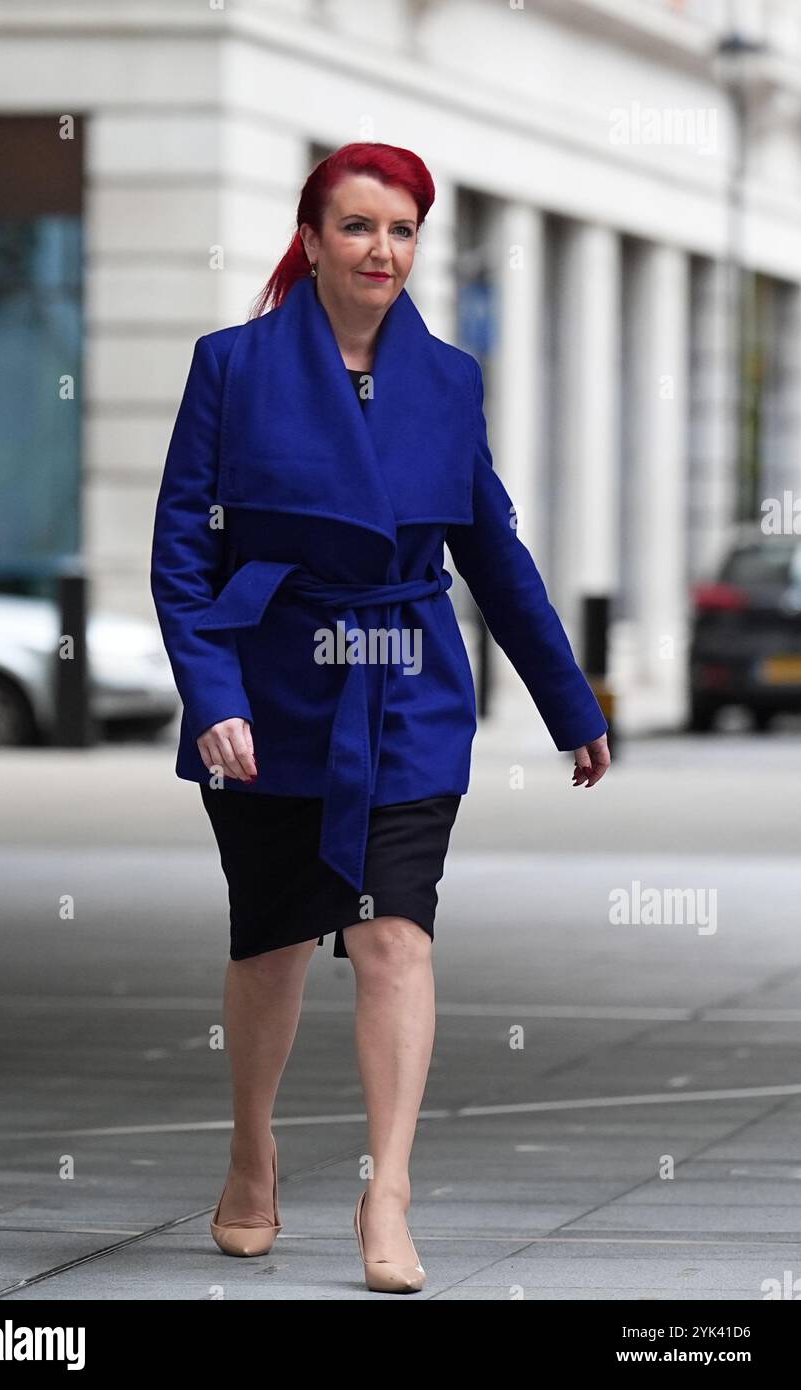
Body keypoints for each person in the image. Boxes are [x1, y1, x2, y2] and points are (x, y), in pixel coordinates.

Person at [150, 141, 610, 1294]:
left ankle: (387, 1186)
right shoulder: (231, 367)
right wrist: (214, 697)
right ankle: (252, 1152)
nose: (382, 251)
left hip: (406, 689)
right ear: (311, 240)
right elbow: (179, 558)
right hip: (269, 693)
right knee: (268, 944)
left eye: (403, 230)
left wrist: (569, 701)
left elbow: (493, 551)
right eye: (359, 227)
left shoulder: (449, 379)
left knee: (395, 932)